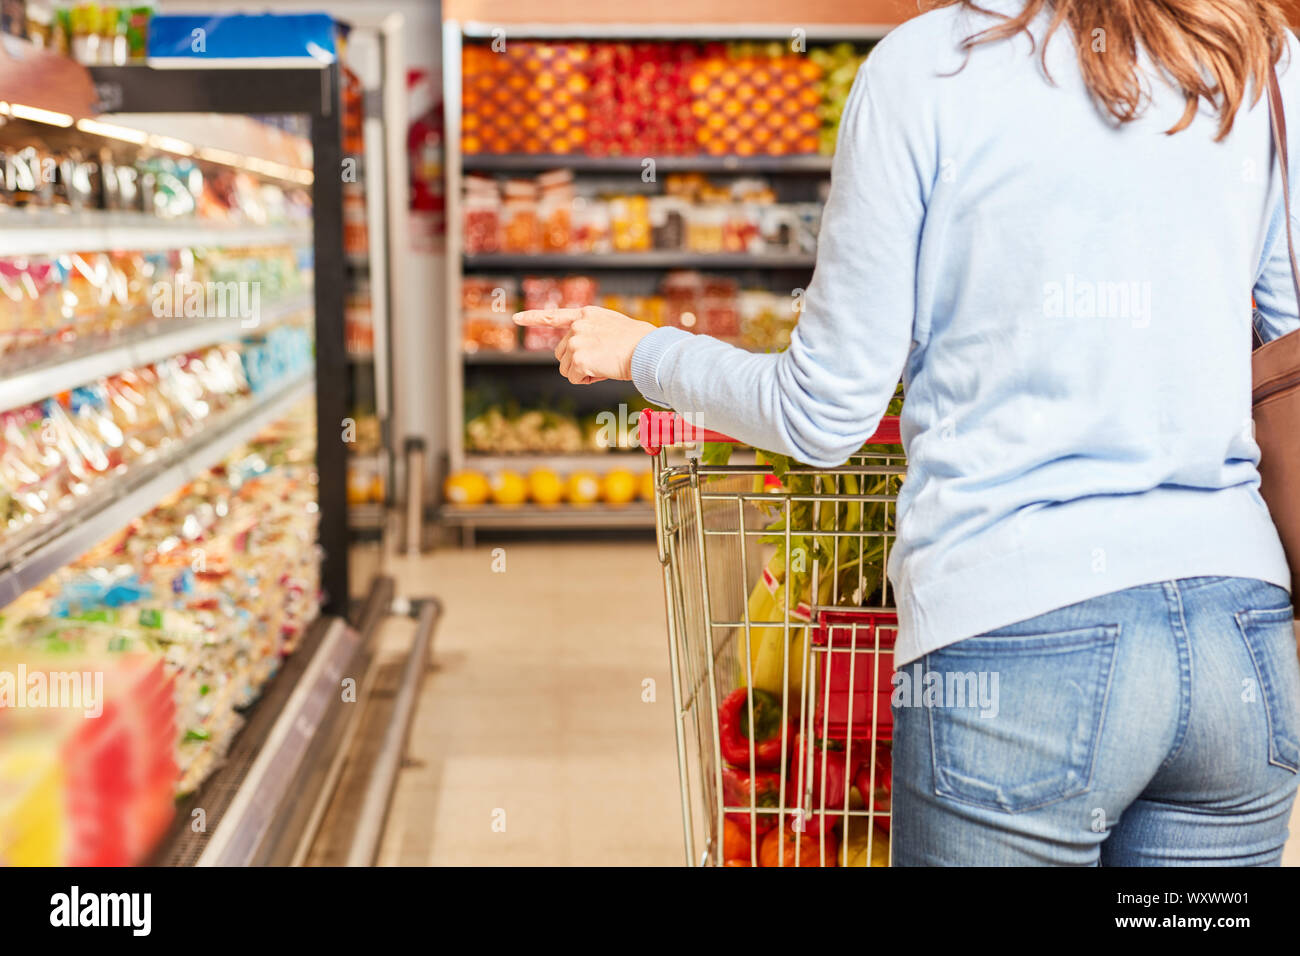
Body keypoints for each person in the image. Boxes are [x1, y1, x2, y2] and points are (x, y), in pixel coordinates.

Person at [515, 0, 1300, 866]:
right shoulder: (1256, 56)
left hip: (1016, 644)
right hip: (1242, 647)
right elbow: (1285, 340)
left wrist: (646, 351)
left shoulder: (928, 68)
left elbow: (822, 413)